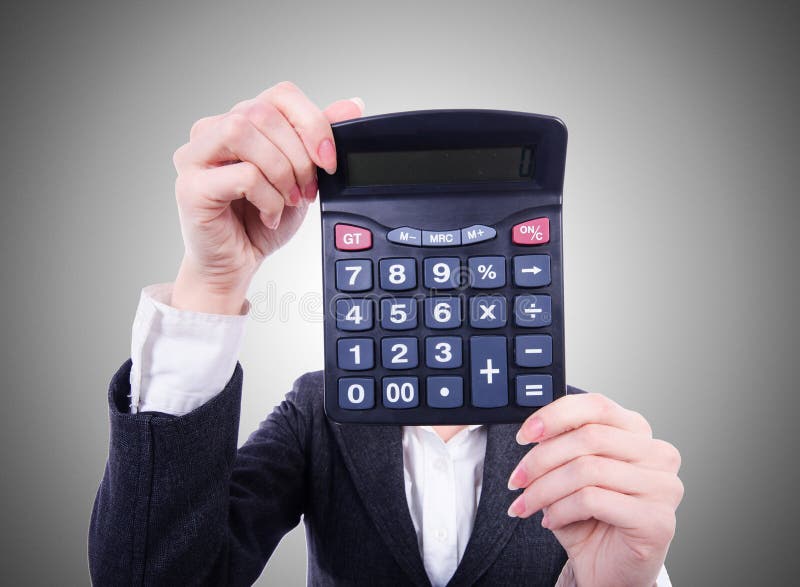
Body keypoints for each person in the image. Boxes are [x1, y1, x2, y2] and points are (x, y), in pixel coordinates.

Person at [88, 81, 684, 586]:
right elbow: (152, 574)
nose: (442, 270)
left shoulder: (580, 443)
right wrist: (212, 283)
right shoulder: (316, 412)